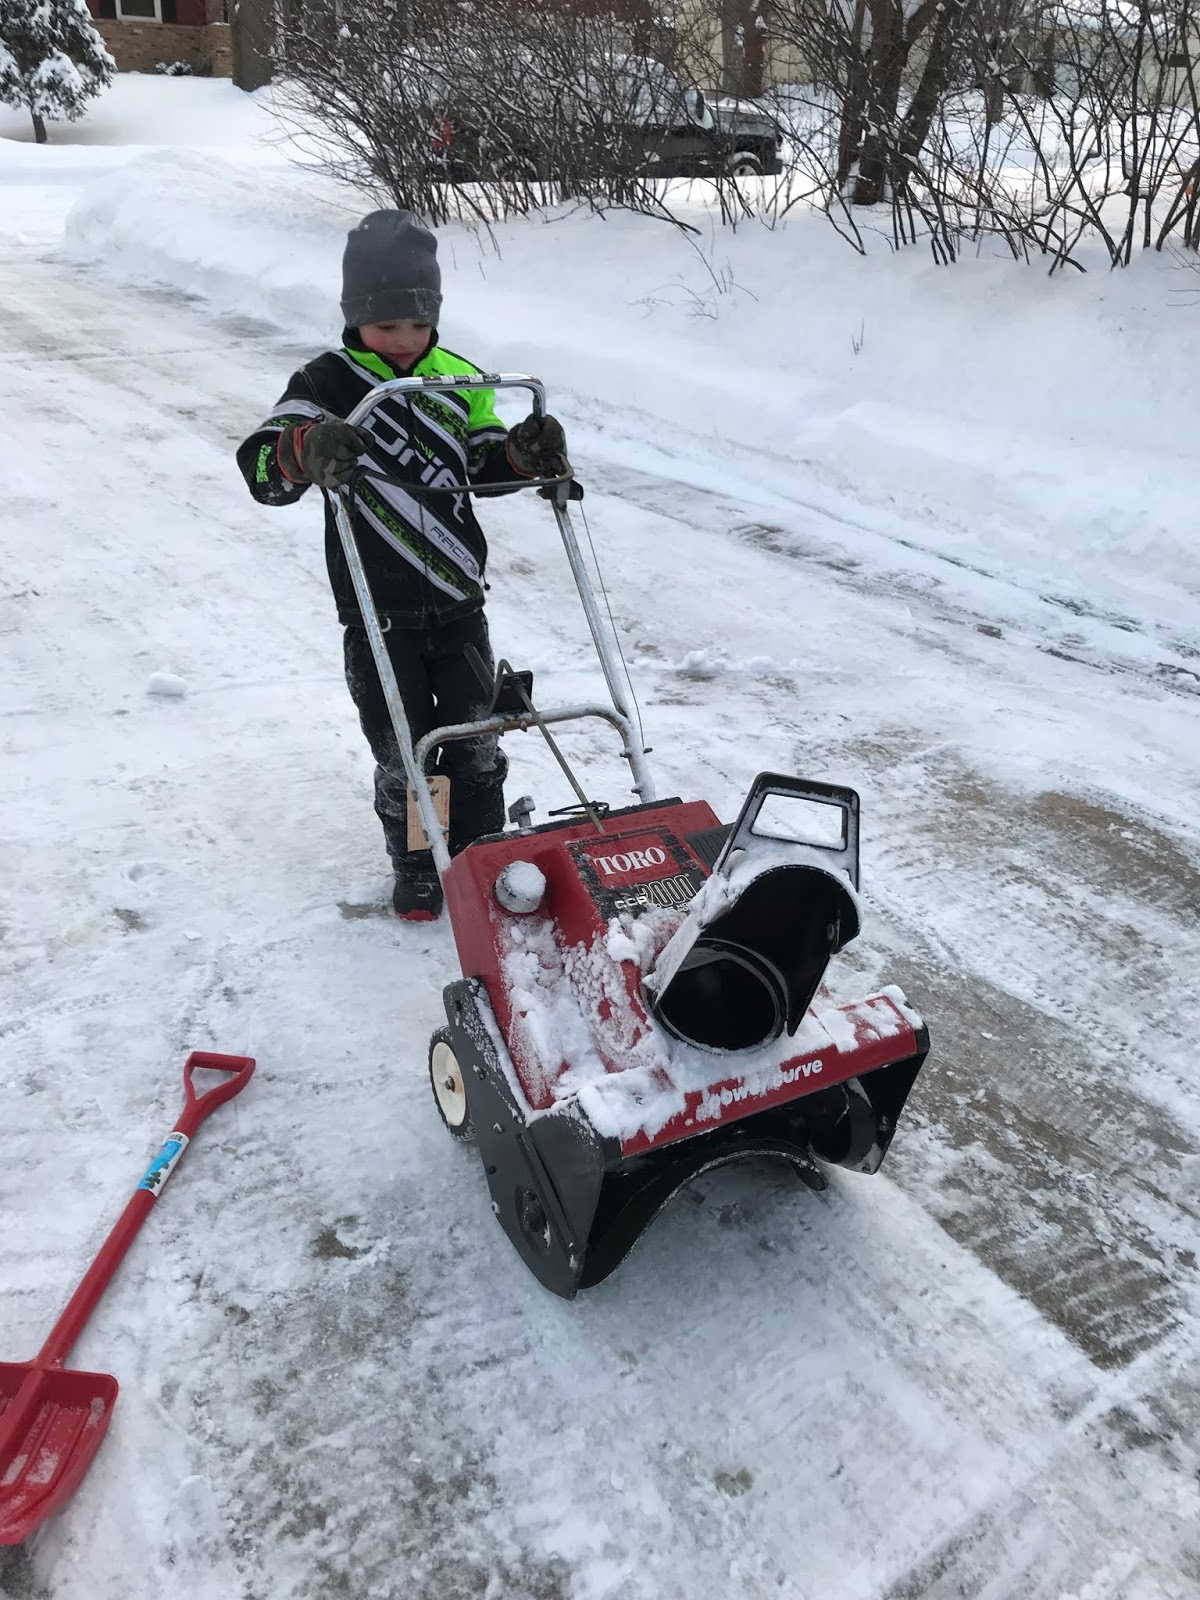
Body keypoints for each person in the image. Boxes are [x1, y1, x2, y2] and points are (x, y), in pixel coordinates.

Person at [236, 209, 570, 920]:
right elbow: (262, 469)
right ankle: (420, 861)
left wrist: (519, 456)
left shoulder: (458, 379)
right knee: (404, 747)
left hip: (458, 599)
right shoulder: (325, 383)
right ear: (354, 316)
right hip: (375, 608)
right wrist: (302, 451)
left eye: (419, 325)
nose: (405, 341)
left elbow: (482, 466)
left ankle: (477, 854)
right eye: (387, 326)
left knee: (475, 737)